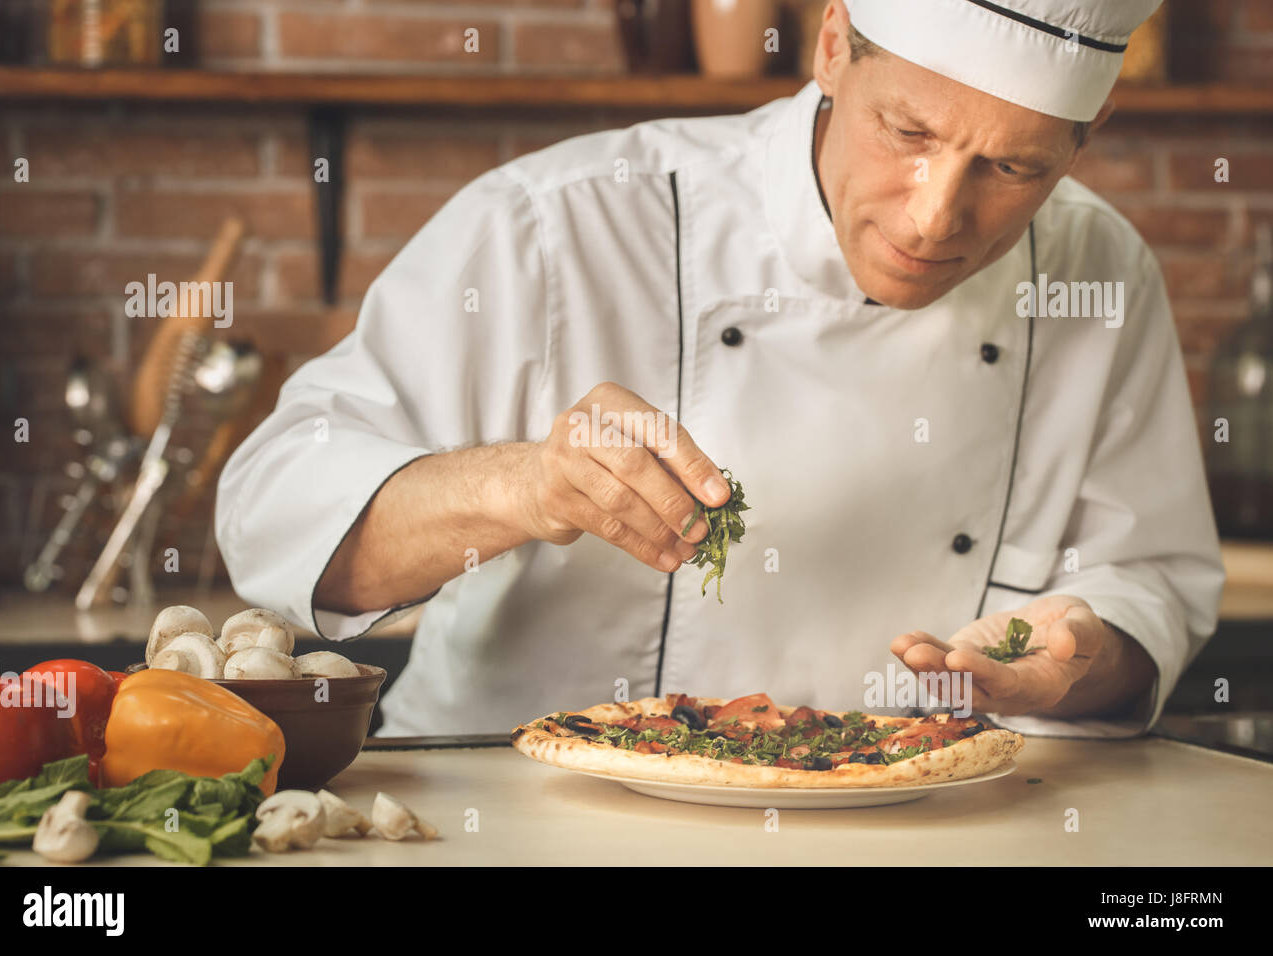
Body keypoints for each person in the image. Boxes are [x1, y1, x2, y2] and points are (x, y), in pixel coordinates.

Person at [217, 0, 1223, 738]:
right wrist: (521, 485)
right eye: (906, 132)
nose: (934, 214)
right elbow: (272, 515)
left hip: (902, 830)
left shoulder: (1099, 271)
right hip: (519, 828)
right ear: (833, 47)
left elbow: (1144, 587)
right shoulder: (558, 224)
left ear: (1084, 141)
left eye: (1014, 168)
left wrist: (1078, 665)